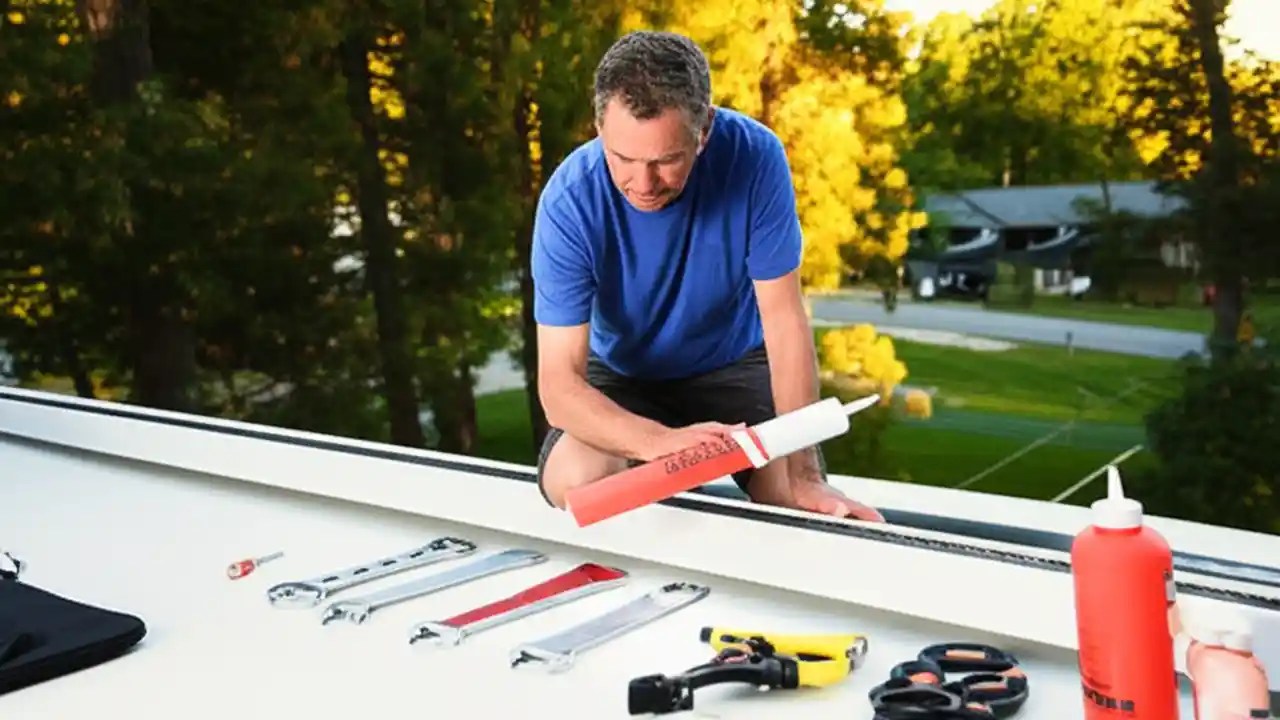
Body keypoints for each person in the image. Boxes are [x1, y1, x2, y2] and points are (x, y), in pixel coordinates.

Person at [530, 30, 884, 523]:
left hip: (732, 364)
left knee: (802, 500)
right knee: (578, 481)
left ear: (704, 130)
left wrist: (802, 470)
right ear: (598, 128)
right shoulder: (569, 201)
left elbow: (784, 323)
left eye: (666, 161)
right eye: (623, 159)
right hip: (623, 376)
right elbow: (557, 387)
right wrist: (660, 443)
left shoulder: (756, 159)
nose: (643, 183)